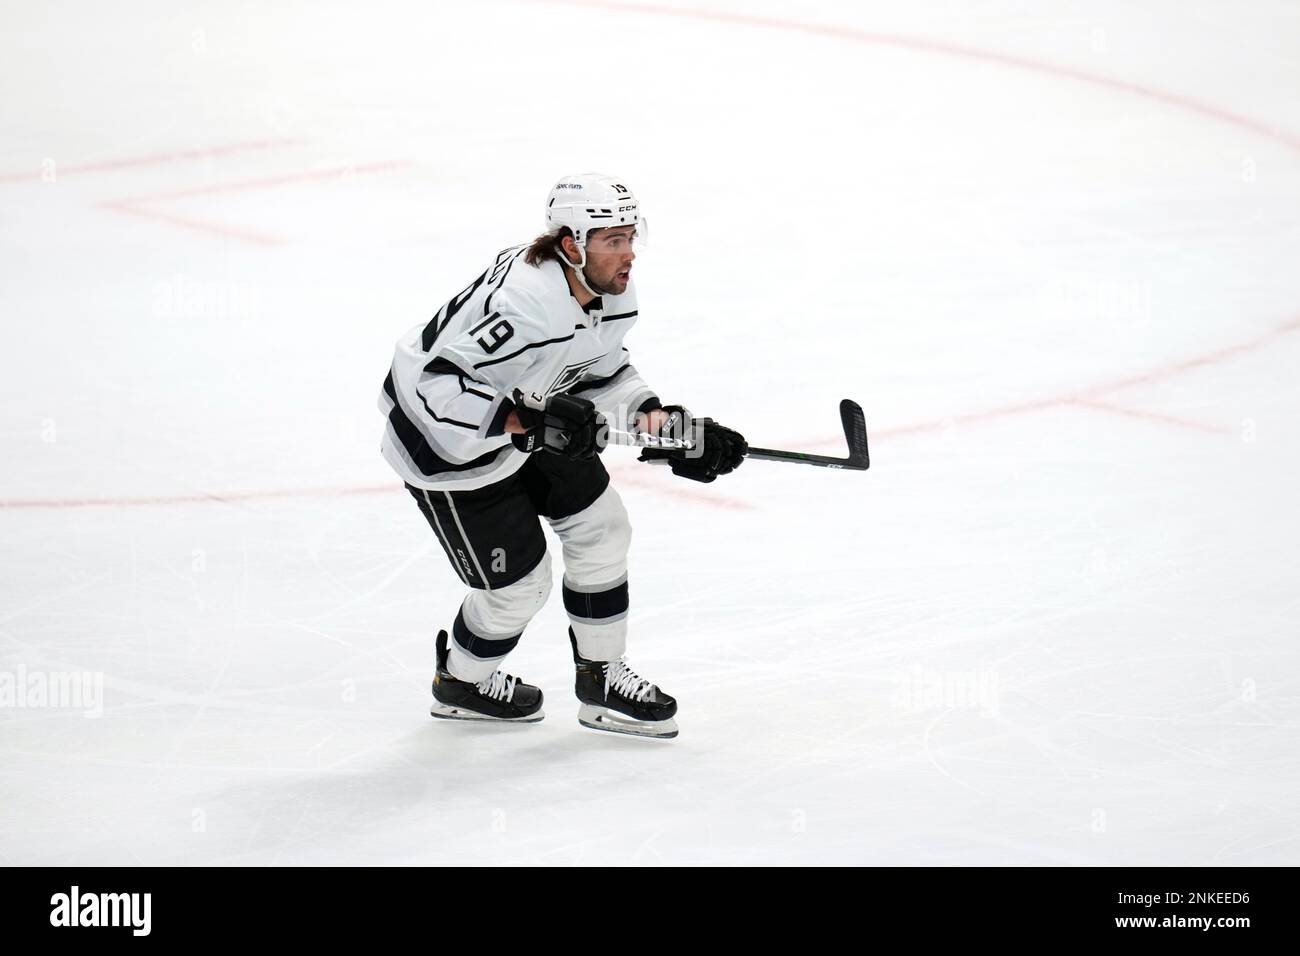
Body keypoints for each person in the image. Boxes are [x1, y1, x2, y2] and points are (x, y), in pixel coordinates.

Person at [378, 173, 747, 738]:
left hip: (533, 417)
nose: (628, 256)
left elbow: (601, 370)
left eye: (631, 237)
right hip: (449, 449)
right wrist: (528, 420)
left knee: (603, 531)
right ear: (572, 244)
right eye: (613, 241)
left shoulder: (608, 290)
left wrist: (664, 423)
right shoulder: (523, 303)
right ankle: (462, 682)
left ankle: (600, 681)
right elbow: (434, 388)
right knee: (519, 588)